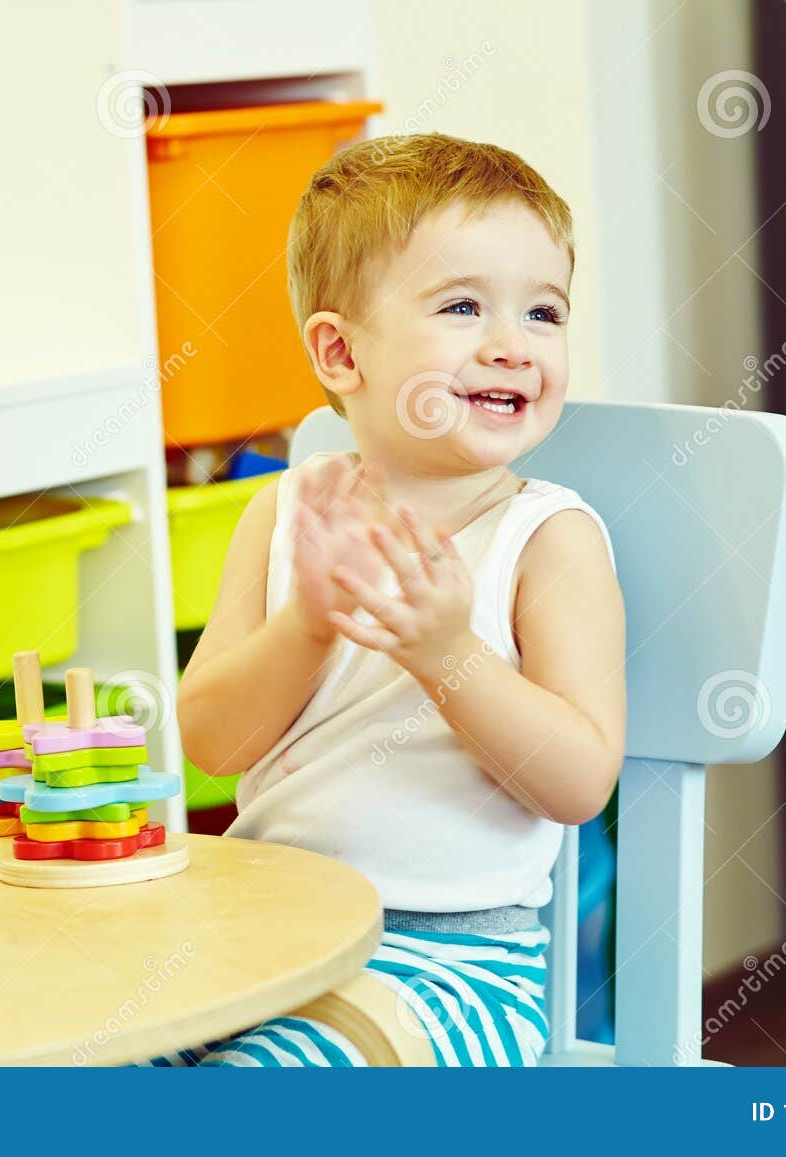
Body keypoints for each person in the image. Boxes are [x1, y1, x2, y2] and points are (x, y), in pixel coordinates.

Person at [143, 132, 626, 1067]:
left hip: (454, 967)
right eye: (462, 306)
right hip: (264, 933)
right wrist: (307, 624)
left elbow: (577, 784)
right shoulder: (284, 514)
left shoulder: (547, 540)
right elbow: (212, 743)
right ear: (340, 351)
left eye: (544, 312)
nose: (512, 346)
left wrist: (448, 654)